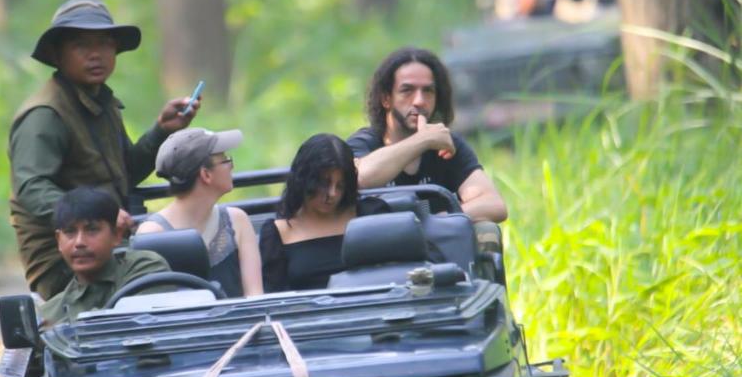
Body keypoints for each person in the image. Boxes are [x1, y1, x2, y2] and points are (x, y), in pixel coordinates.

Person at [9, 0, 200, 302]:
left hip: (110, 241)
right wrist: (99, 217)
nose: (95, 54)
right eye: (81, 46)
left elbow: (124, 172)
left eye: (105, 44)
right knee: (167, 266)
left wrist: (162, 130)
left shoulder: (101, 102)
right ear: (57, 54)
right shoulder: (45, 115)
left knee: (197, 249)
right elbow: (31, 187)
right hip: (67, 259)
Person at [0, 187, 170, 377]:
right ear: (58, 241)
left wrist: (56, 336)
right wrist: (19, 354)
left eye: (92, 230)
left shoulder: (144, 267)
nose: (79, 242)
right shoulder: (50, 312)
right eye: (70, 232)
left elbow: (135, 329)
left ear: (117, 235)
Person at [347, 47, 507, 251]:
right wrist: (422, 140)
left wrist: (440, 220)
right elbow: (360, 177)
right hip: (379, 249)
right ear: (386, 99)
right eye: (407, 90)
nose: (419, 101)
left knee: (486, 230)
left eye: (428, 91)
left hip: (438, 245)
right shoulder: (364, 143)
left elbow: (495, 205)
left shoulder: (448, 145)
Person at [137, 128, 262, 298]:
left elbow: (255, 297)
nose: (231, 166)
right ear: (206, 174)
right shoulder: (153, 233)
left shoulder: (237, 220)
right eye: (225, 159)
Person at [259, 134, 389, 293]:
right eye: (323, 184)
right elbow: (274, 297)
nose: (332, 194)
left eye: (340, 186)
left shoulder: (370, 214)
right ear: (304, 180)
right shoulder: (278, 234)